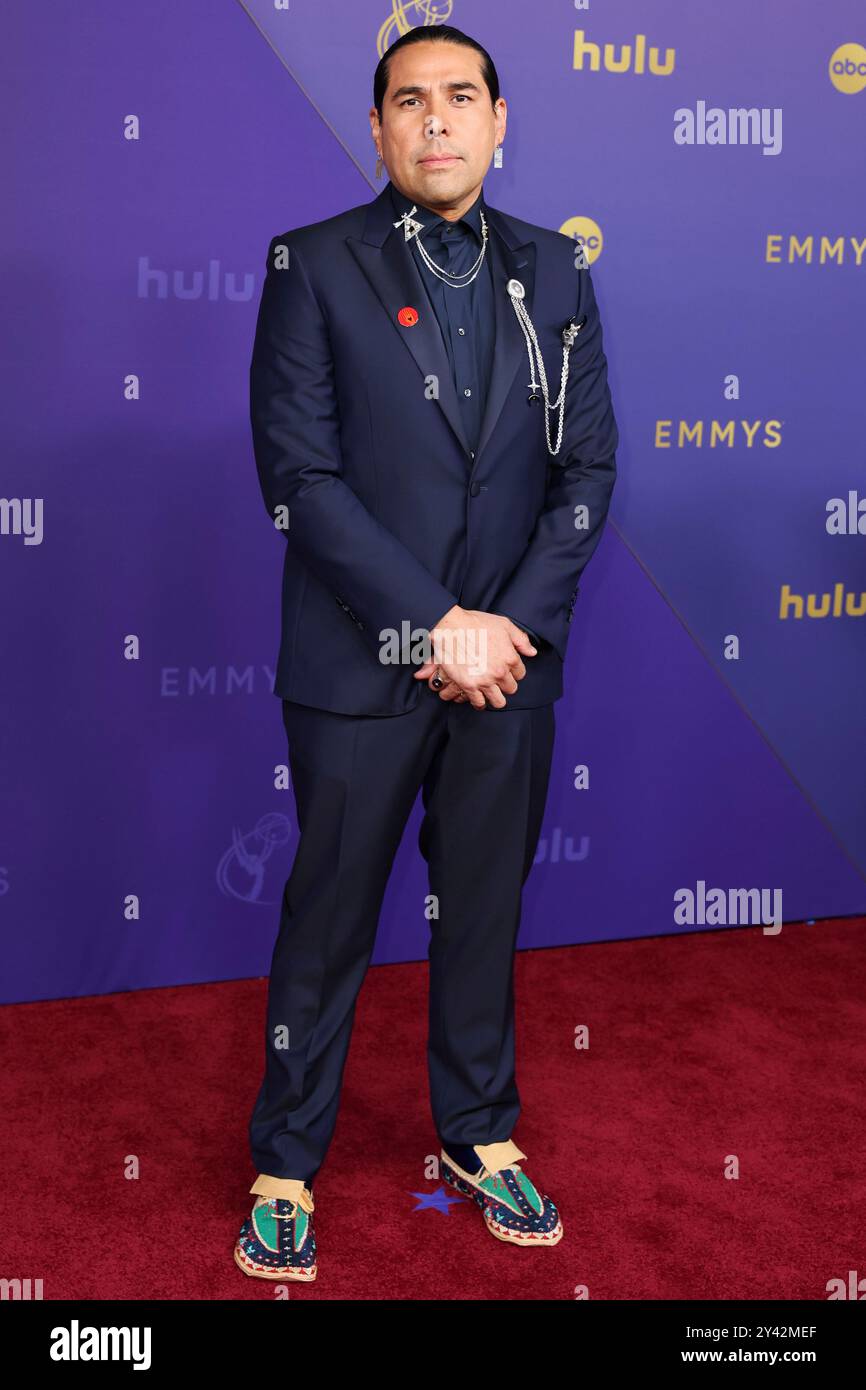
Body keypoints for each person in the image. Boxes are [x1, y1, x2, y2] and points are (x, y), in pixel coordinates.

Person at [234, 23, 618, 1283]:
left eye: (460, 98)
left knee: (484, 911)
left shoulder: (554, 273)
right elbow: (301, 477)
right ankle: (285, 1161)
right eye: (409, 101)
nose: (435, 120)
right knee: (328, 918)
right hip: (360, 667)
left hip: (509, 666)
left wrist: (501, 629)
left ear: (500, 122)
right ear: (379, 127)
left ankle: (478, 1136)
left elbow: (585, 473)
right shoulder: (312, 264)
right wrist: (433, 628)